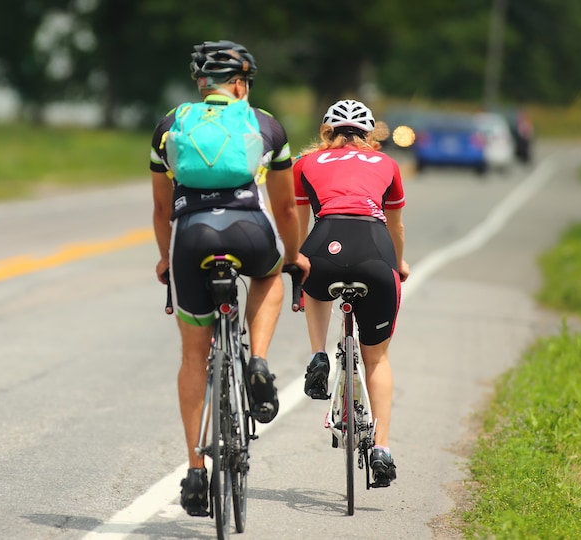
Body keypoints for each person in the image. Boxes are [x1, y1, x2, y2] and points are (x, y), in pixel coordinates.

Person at [150, 40, 310, 516]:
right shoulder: (265, 125)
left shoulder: (170, 126)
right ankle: (258, 362)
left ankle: (196, 471)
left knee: (193, 356)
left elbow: (161, 209)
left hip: (192, 239)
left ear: (202, 84)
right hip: (248, 231)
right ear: (240, 83)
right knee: (268, 277)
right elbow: (284, 206)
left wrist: (165, 260)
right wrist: (295, 256)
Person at [292, 99, 409, 487]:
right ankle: (383, 448)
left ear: (327, 133)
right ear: (371, 135)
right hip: (375, 253)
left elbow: (297, 220)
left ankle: (318, 354)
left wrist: (296, 260)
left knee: (313, 278)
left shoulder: (305, 164)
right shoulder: (388, 165)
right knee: (376, 360)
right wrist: (400, 265)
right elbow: (396, 227)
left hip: (324, 248)